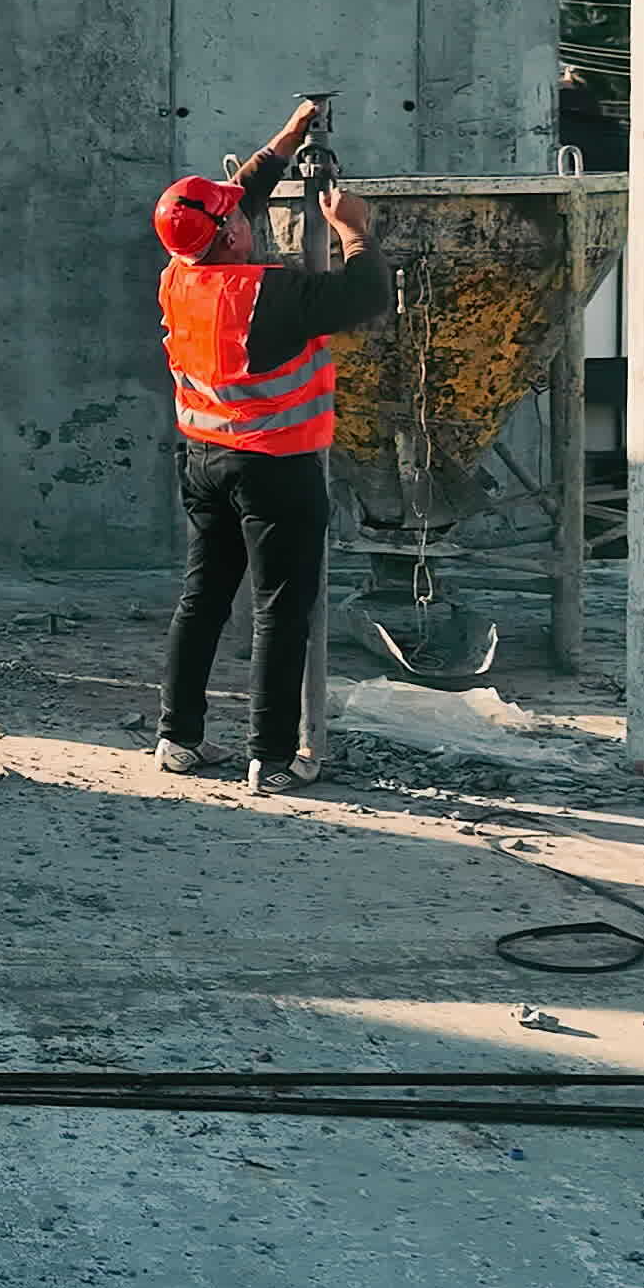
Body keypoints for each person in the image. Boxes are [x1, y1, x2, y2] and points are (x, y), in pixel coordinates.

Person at [149, 101, 386, 796]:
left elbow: (235, 202)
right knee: (283, 611)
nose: (247, 215)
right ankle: (274, 757)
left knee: (203, 598)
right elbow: (365, 295)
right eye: (237, 217)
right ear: (228, 237)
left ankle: (178, 737)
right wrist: (354, 233)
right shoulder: (269, 295)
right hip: (275, 468)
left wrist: (287, 135)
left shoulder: (180, 271)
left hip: (203, 460)